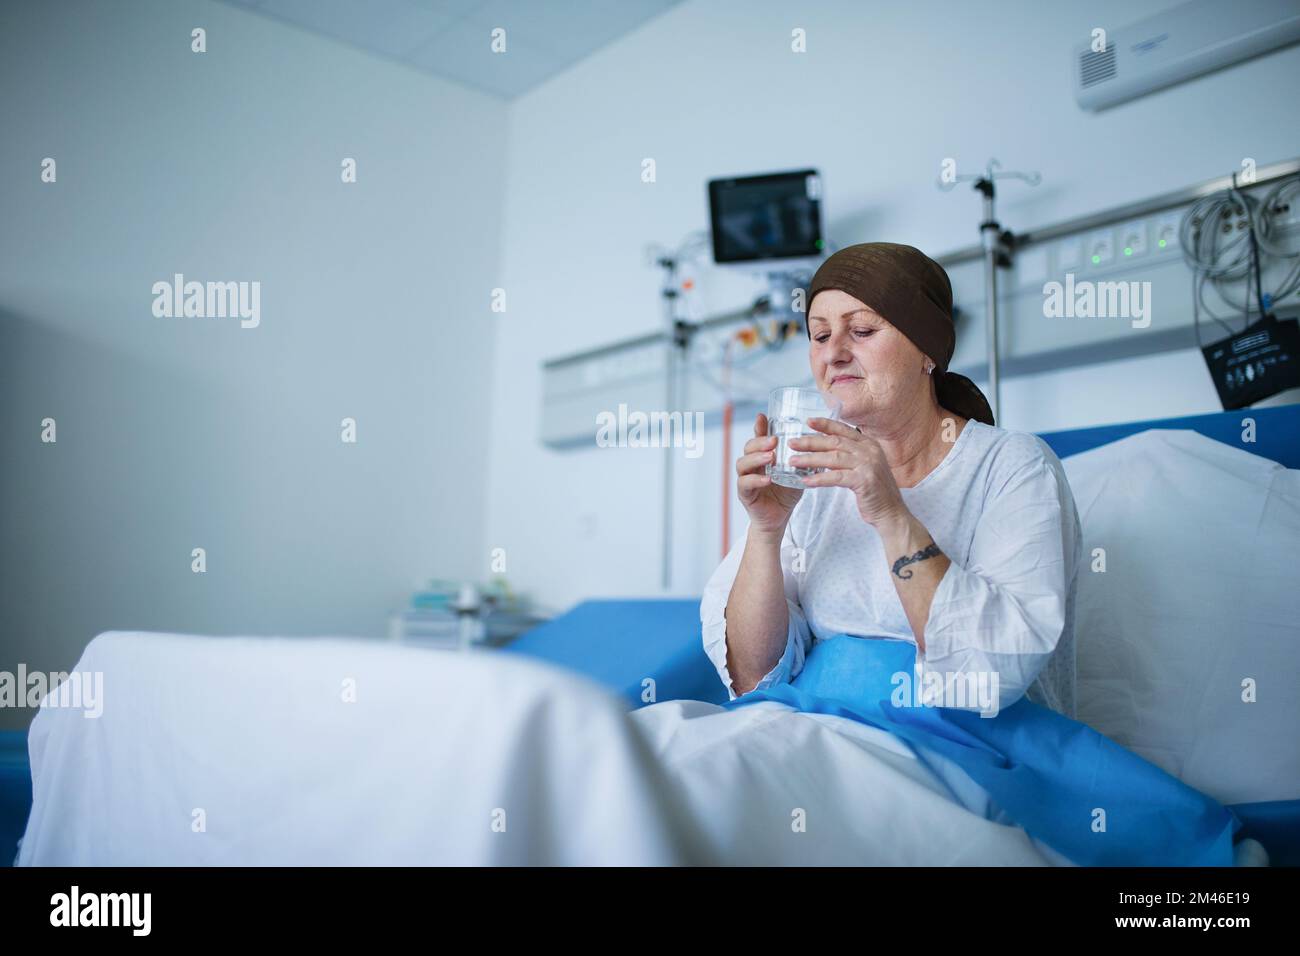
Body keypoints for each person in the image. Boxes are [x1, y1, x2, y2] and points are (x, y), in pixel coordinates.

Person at [701, 242, 1082, 717]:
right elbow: (753, 676)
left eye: (861, 330)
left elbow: (991, 675)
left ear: (927, 350)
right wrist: (767, 530)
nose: (834, 354)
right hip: (824, 731)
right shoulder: (810, 482)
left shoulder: (1012, 468)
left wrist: (888, 511)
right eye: (820, 336)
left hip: (964, 747)